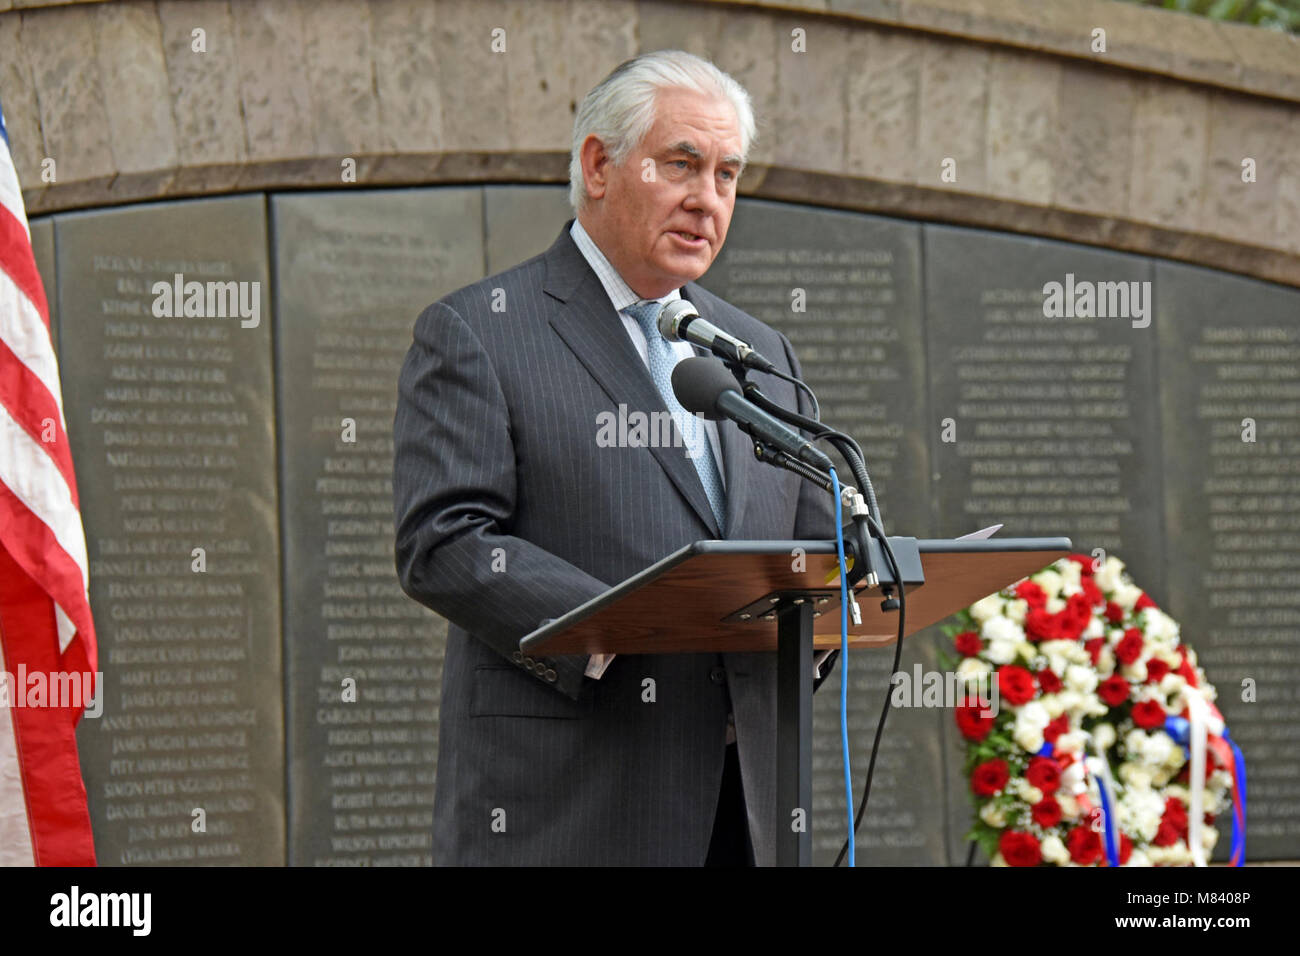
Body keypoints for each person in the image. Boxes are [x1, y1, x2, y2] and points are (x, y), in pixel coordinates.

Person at [393, 50, 837, 866]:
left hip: (751, 812)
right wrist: (618, 622)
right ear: (598, 165)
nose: (708, 200)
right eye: (681, 165)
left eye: (728, 175)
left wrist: (835, 610)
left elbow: (806, 541)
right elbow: (444, 541)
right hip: (574, 809)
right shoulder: (482, 331)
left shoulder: (759, 351)